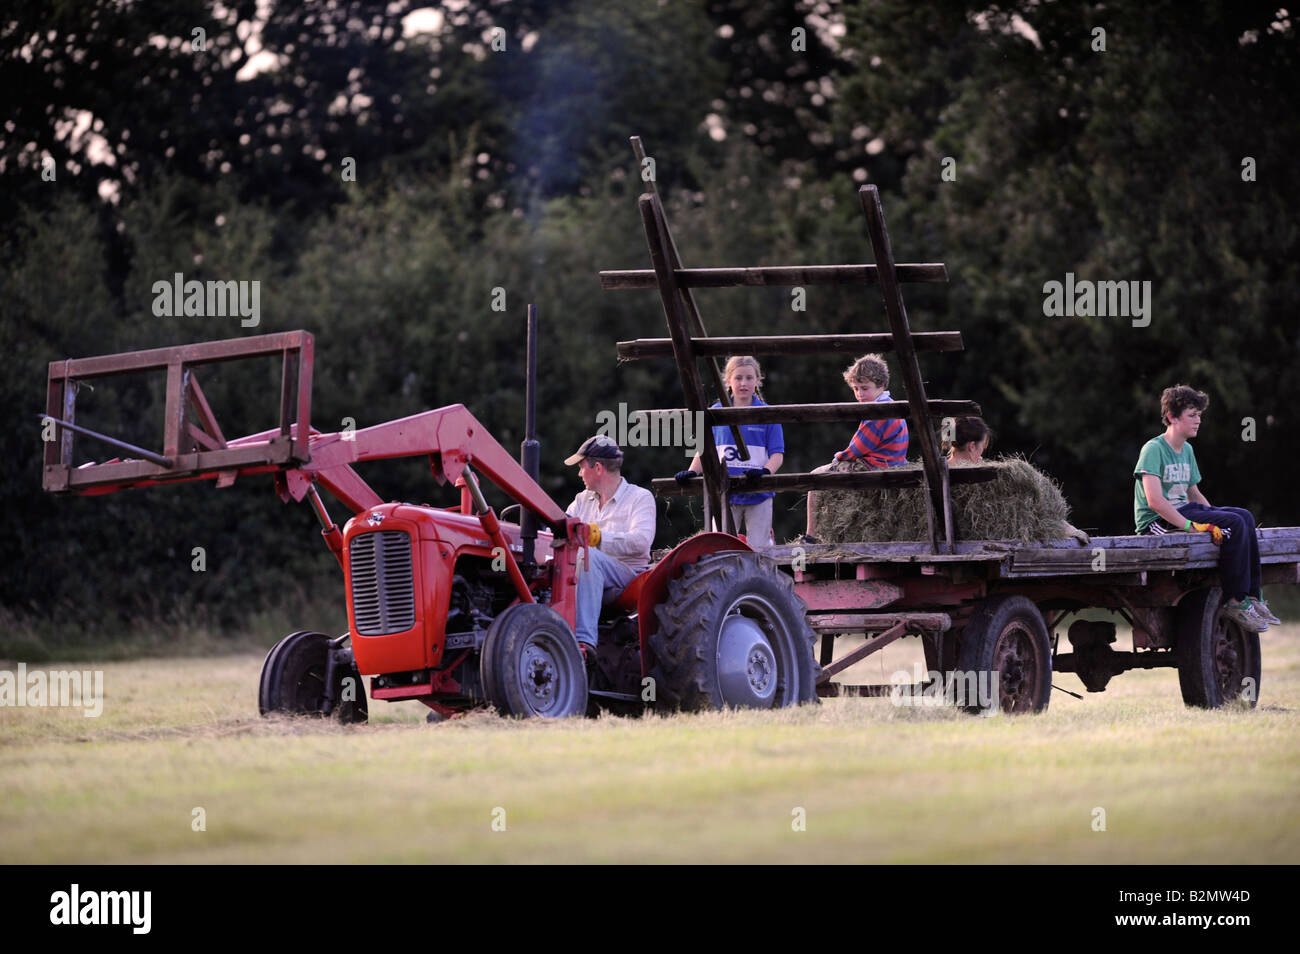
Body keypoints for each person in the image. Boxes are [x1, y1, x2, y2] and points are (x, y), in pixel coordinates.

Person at [1133, 384, 1279, 631]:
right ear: (1171, 417)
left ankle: (1252, 596)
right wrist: (1191, 526)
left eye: (1199, 415)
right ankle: (1235, 600)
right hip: (1158, 522)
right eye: (1192, 415)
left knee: (1243, 517)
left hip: (1183, 511)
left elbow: (1194, 494)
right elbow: (1155, 502)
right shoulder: (1153, 449)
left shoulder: (1187, 450)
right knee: (1234, 522)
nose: (1198, 420)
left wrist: (1216, 517)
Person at [674, 355, 785, 547]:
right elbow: (704, 451)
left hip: (759, 493)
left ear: (758, 380)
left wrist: (765, 472)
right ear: (727, 381)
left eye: (749, 378)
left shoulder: (768, 414)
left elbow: (777, 454)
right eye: (738, 378)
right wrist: (693, 471)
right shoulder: (714, 414)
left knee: (760, 549)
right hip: (725, 494)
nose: (744, 383)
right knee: (722, 548)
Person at [564, 434, 657, 658]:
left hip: (627, 573)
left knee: (589, 557)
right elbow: (562, 527)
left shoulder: (640, 498)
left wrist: (597, 538)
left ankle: (583, 644)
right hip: (587, 568)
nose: (579, 473)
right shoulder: (581, 500)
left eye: (581, 467)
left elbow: (641, 542)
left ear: (597, 468)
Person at [804, 354, 909, 540]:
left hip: (874, 465)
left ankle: (812, 535)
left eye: (865, 388)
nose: (860, 394)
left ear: (882, 385)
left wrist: (839, 457)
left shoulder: (877, 412)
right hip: (894, 463)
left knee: (815, 477)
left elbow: (858, 448)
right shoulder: (891, 406)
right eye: (856, 389)